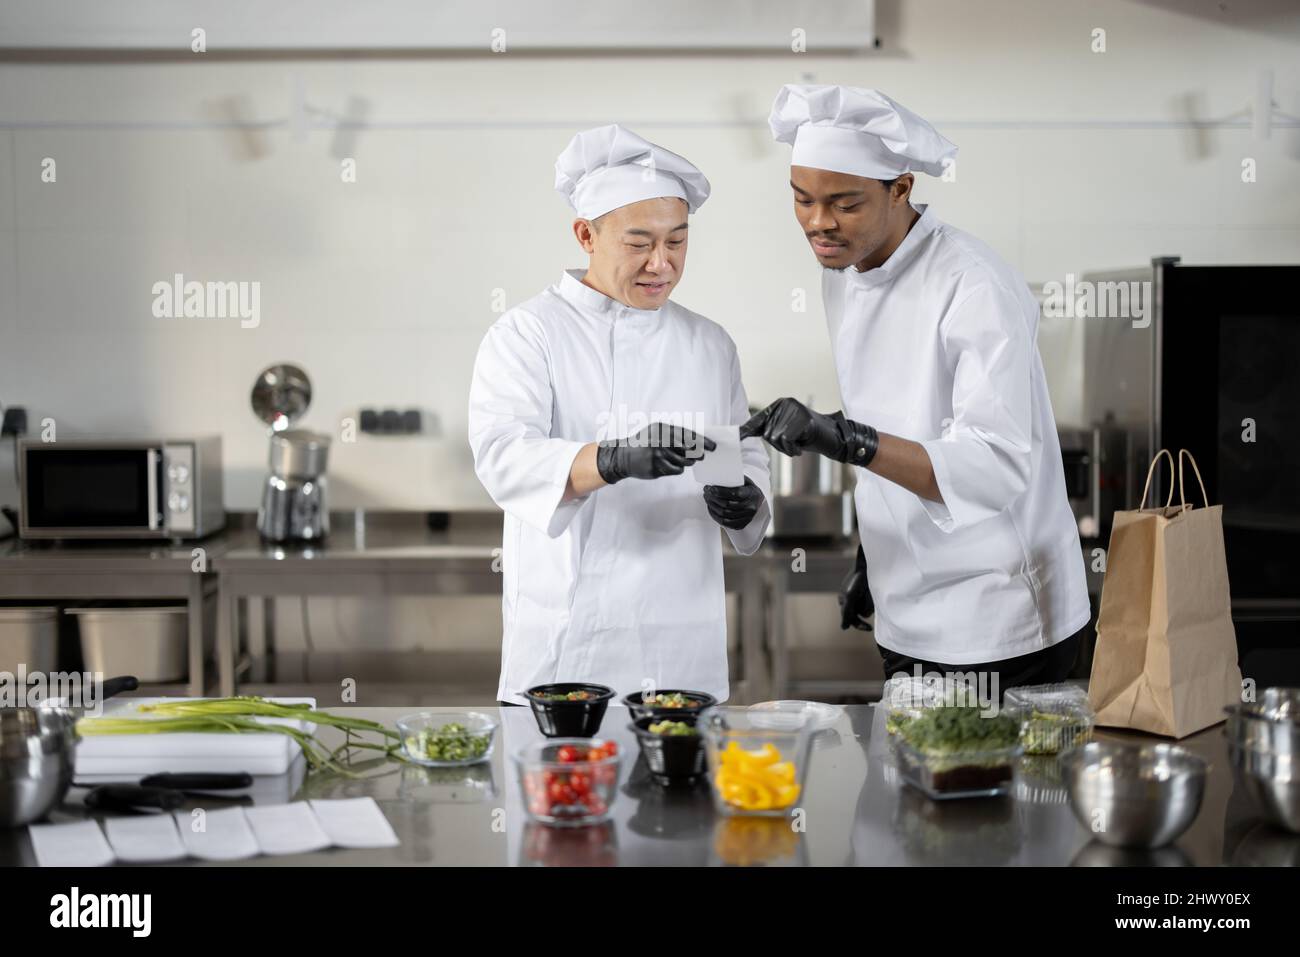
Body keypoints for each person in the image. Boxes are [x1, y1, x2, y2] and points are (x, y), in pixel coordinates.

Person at [744, 85, 1089, 692]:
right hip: (905, 606)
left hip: (998, 616)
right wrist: (870, 554)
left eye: (844, 204)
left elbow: (993, 462)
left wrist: (842, 438)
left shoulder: (973, 285)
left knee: (991, 785)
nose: (818, 223)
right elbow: (894, 414)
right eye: (801, 199)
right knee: (903, 784)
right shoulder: (846, 272)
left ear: (900, 187)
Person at [469, 125, 771, 705]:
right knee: (564, 794)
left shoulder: (709, 343)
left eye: (677, 242)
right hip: (569, 638)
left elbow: (739, 453)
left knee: (683, 793)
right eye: (639, 243)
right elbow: (502, 455)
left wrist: (748, 500)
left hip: (680, 639)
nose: (662, 264)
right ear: (586, 234)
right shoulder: (529, 333)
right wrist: (609, 459)